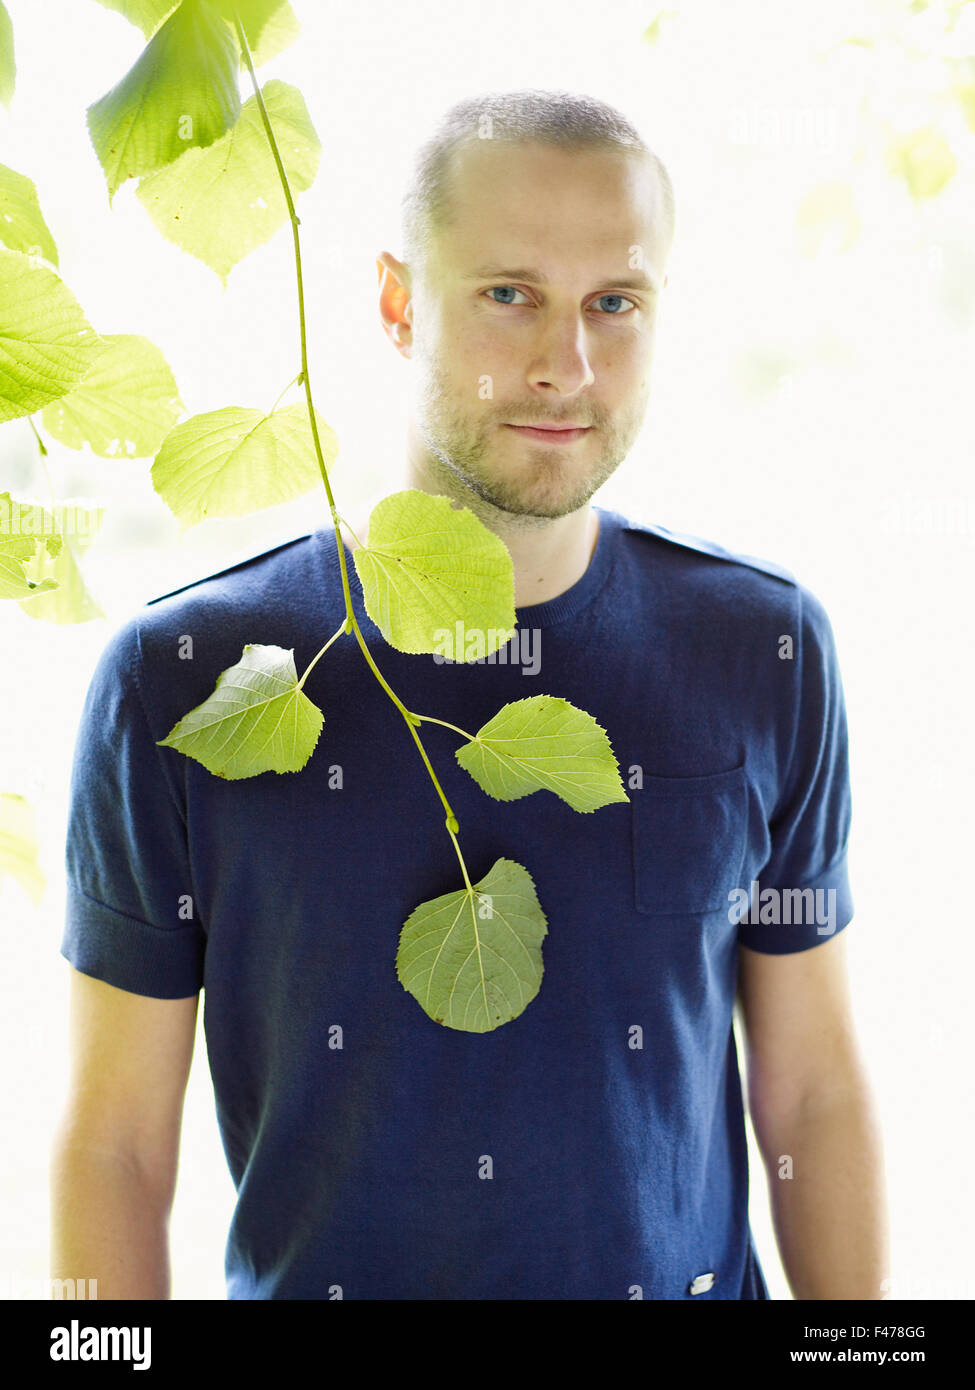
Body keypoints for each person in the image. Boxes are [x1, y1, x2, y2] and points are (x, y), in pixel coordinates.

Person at [51, 89, 889, 1300]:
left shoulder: (764, 649)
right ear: (399, 305)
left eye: (616, 302)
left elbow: (814, 1090)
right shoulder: (182, 681)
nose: (568, 365)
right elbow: (113, 1148)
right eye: (511, 295)